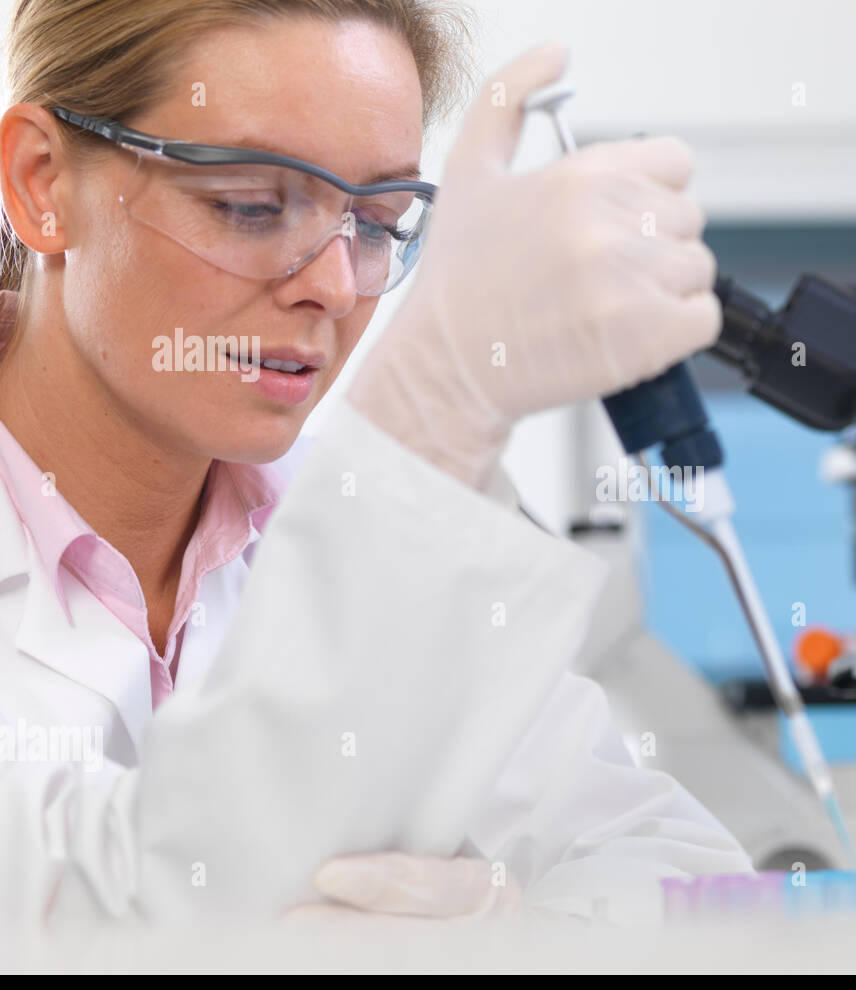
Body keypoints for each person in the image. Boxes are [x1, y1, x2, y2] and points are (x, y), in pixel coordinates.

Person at [0, 0, 752, 930]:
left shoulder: (362, 528)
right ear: (42, 182)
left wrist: (514, 937)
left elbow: (692, 883)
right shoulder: (397, 515)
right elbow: (87, 909)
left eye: (376, 222)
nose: (334, 283)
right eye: (249, 205)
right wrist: (430, 415)